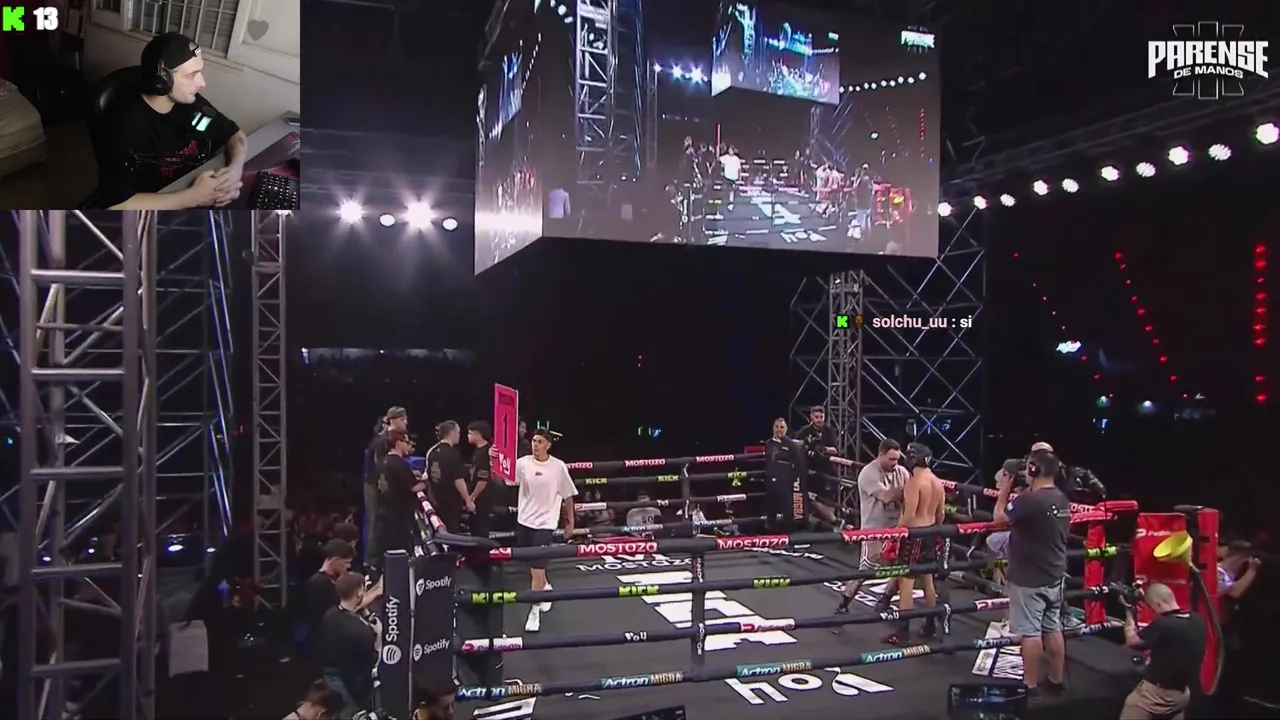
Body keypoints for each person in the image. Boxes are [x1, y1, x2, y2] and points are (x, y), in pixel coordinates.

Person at [96, 33, 247, 210]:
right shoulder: (124, 124)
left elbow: (235, 135)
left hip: (196, 188)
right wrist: (194, 197)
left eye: (200, 72)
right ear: (162, 81)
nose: (202, 83)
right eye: (192, 75)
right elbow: (114, 205)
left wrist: (235, 170)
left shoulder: (190, 102)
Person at [994, 449, 1072, 697]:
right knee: (1052, 628)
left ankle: (1029, 685)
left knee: (1030, 632)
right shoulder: (1061, 498)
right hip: (1054, 573)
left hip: (1030, 577)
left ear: (1033, 469)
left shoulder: (1030, 500)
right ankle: (1056, 680)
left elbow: (999, 518)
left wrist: (1004, 491)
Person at [879, 442, 945, 645]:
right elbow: (941, 514)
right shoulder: (937, 481)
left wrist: (894, 534)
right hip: (931, 532)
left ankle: (903, 632)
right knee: (927, 579)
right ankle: (930, 626)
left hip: (914, 534)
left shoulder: (914, 482)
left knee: (906, 581)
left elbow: (909, 514)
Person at [833, 439, 906, 623]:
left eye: (897, 459)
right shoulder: (868, 473)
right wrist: (910, 488)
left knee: (902, 568)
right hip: (874, 530)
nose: (895, 463)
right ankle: (844, 604)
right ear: (881, 455)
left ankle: (885, 600)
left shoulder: (901, 472)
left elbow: (906, 500)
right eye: (891, 459)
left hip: (897, 529)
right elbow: (886, 497)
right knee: (866, 571)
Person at [515, 429, 578, 633]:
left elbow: (568, 495)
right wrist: (494, 461)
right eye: (534, 440)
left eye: (540, 441)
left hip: (545, 524)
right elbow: (504, 480)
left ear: (548, 445)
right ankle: (545, 587)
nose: (535, 444)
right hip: (524, 521)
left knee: (537, 568)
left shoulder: (558, 467)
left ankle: (534, 611)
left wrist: (570, 521)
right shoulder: (522, 463)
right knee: (534, 567)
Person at [1119, 583, 1206, 719]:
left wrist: (1128, 612)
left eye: (1152, 606)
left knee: (1132, 704)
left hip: (1158, 695)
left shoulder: (1164, 625)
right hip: (1183, 694)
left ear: (1157, 604)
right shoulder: (1197, 619)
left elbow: (1132, 641)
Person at [316, 572, 378, 710]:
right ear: (359, 594)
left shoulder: (329, 615)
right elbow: (370, 661)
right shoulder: (361, 631)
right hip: (352, 683)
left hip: (330, 675)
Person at [371, 429, 423, 573]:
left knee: (385, 552)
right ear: (398, 443)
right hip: (399, 516)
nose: (408, 445)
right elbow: (414, 487)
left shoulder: (381, 462)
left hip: (382, 513)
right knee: (400, 553)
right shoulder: (399, 463)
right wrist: (427, 482)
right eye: (406, 442)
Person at [363, 408, 407, 568]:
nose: (406, 422)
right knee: (377, 523)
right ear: (392, 420)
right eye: (402, 419)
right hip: (375, 484)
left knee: (387, 522)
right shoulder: (382, 440)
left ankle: (386, 561)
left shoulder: (392, 438)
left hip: (384, 484)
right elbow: (380, 467)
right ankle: (372, 564)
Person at [795, 406, 840, 525]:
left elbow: (835, 450)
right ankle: (832, 523)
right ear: (811, 417)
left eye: (821, 417)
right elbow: (795, 443)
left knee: (829, 500)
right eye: (817, 417)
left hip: (827, 471)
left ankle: (833, 523)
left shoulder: (828, 431)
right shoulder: (805, 431)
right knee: (811, 498)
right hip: (811, 471)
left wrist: (822, 448)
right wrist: (806, 444)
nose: (819, 420)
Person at [425, 421, 471, 533]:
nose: (459, 435)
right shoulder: (453, 453)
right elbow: (458, 479)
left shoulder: (431, 452)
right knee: (451, 533)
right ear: (451, 433)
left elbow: (427, 476)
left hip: (435, 500)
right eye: (458, 432)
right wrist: (468, 500)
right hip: (451, 503)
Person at [763, 418, 796, 531]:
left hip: (786, 482)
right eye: (776, 427)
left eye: (781, 427)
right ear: (773, 428)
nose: (779, 430)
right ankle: (770, 535)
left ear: (786, 429)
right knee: (770, 511)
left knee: (787, 512)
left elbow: (795, 462)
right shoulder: (768, 444)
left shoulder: (790, 444)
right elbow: (769, 461)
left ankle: (788, 536)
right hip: (771, 482)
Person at [466, 421, 495, 541]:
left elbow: (483, 479)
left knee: (480, 530)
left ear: (478, 434)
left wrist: (472, 497)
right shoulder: (478, 451)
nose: (468, 436)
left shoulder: (486, 452)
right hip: (477, 497)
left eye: (470, 433)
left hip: (482, 498)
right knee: (475, 529)